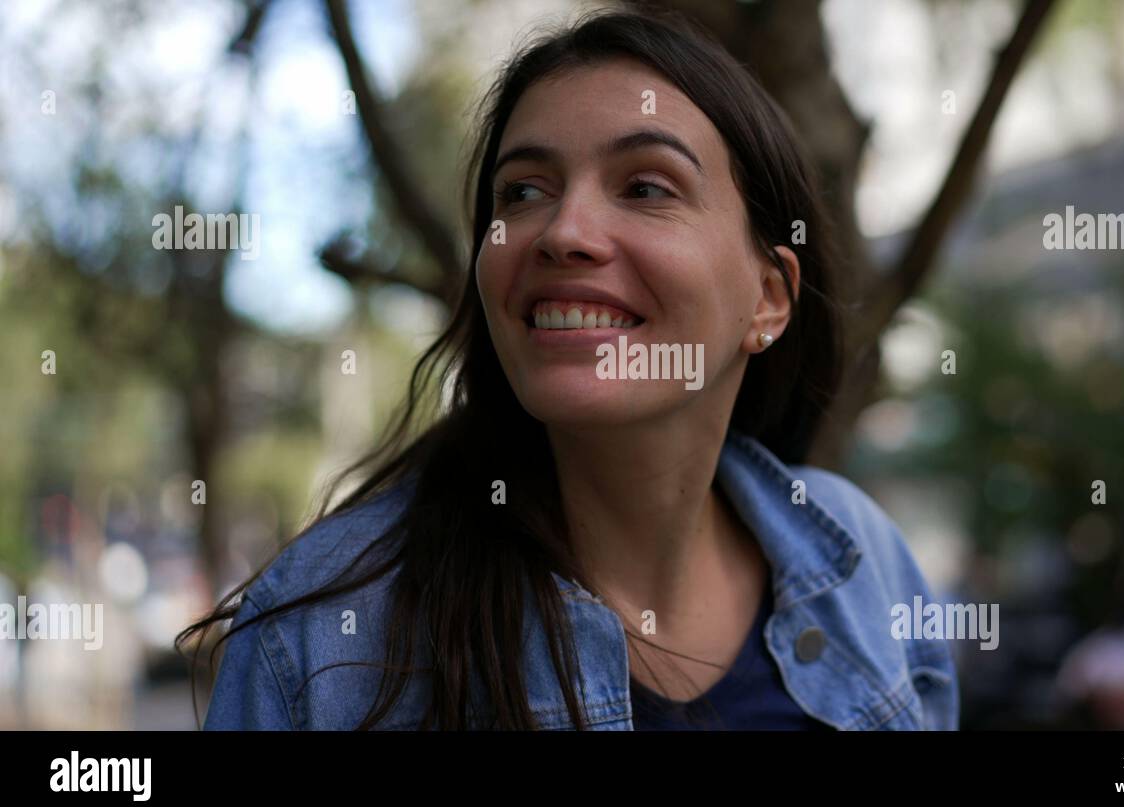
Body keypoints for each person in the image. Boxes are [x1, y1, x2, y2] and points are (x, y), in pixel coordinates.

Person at [183, 7, 958, 731]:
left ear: (768, 297)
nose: (563, 231)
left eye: (646, 186)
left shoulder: (864, 562)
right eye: (523, 192)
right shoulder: (324, 638)